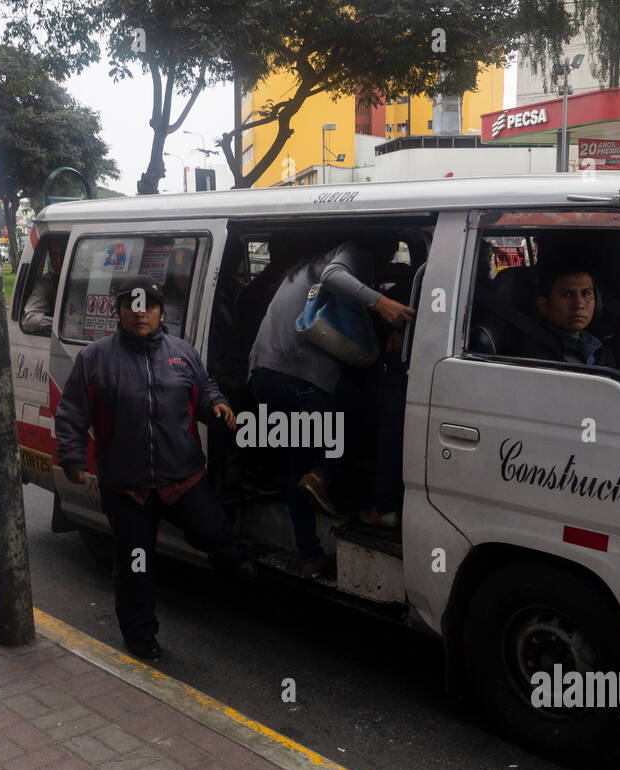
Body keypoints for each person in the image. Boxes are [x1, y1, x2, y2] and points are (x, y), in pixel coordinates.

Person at [54, 273, 256, 660]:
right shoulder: (95, 359)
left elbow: (203, 387)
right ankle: (140, 636)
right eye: (131, 304)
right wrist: (73, 458)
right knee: (136, 566)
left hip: (182, 478)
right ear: (120, 312)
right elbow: (72, 413)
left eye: (148, 304)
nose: (140, 312)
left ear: (162, 312)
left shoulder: (182, 353)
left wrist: (216, 403)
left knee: (217, 536)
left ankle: (236, 575)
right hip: (127, 488)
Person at [248, 239, 415, 578]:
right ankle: (326, 475)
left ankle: (310, 556)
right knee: (368, 417)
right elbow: (335, 276)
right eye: (392, 251)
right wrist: (383, 303)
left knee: (300, 466)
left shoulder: (301, 266)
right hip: (303, 380)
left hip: (263, 377)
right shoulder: (354, 251)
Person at [520, 262, 615, 367]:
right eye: (567, 295)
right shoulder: (537, 357)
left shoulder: (598, 348)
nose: (579, 304)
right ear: (544, 305)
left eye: (586, 294)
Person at [20, 241, 65, 334]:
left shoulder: (85, 281)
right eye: (54, 255)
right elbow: (29, 320)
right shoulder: (47, 283)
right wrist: (62, 326)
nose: (58, 260)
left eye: (63, 255)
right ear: (50, 256)